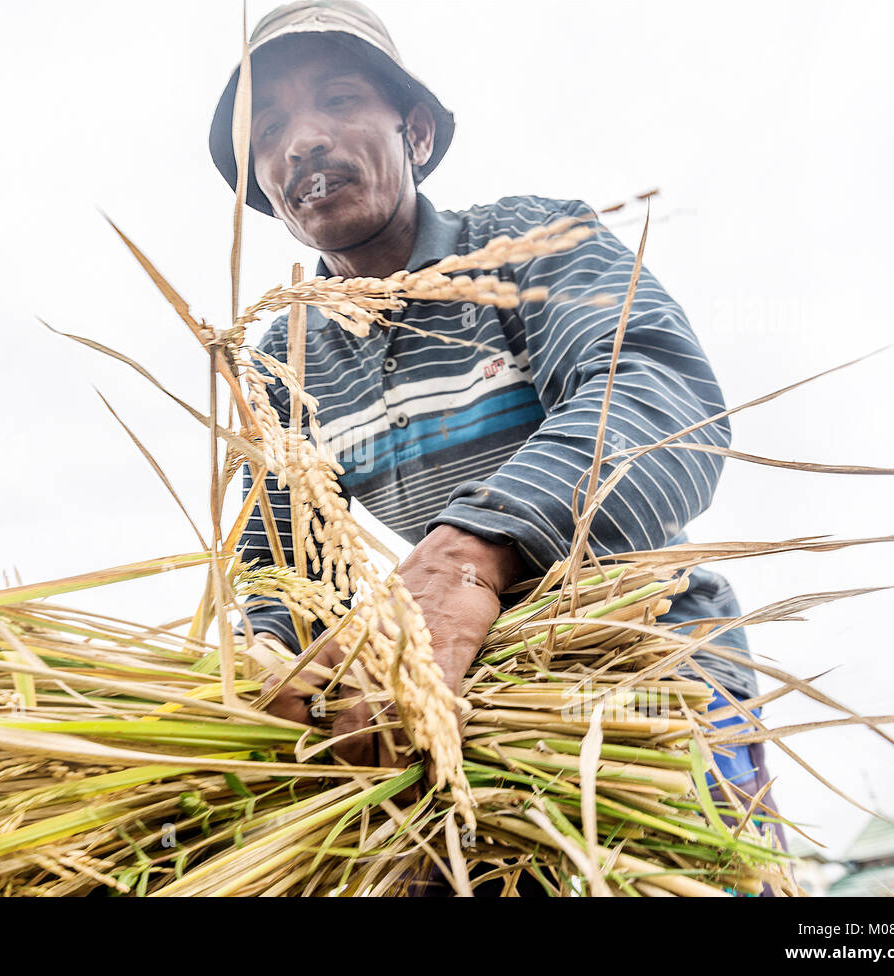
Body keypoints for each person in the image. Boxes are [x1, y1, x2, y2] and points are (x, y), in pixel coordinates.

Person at [209, 0, 784, 887]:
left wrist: (471, 555)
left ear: (419, 133)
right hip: (460, 689)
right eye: (270, 127)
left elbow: (659, 396)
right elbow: (281, 559)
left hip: (643, 651)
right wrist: (267, 664)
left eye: (338, 101)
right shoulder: (286, 354)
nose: (302, 142)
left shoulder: (528, 249)